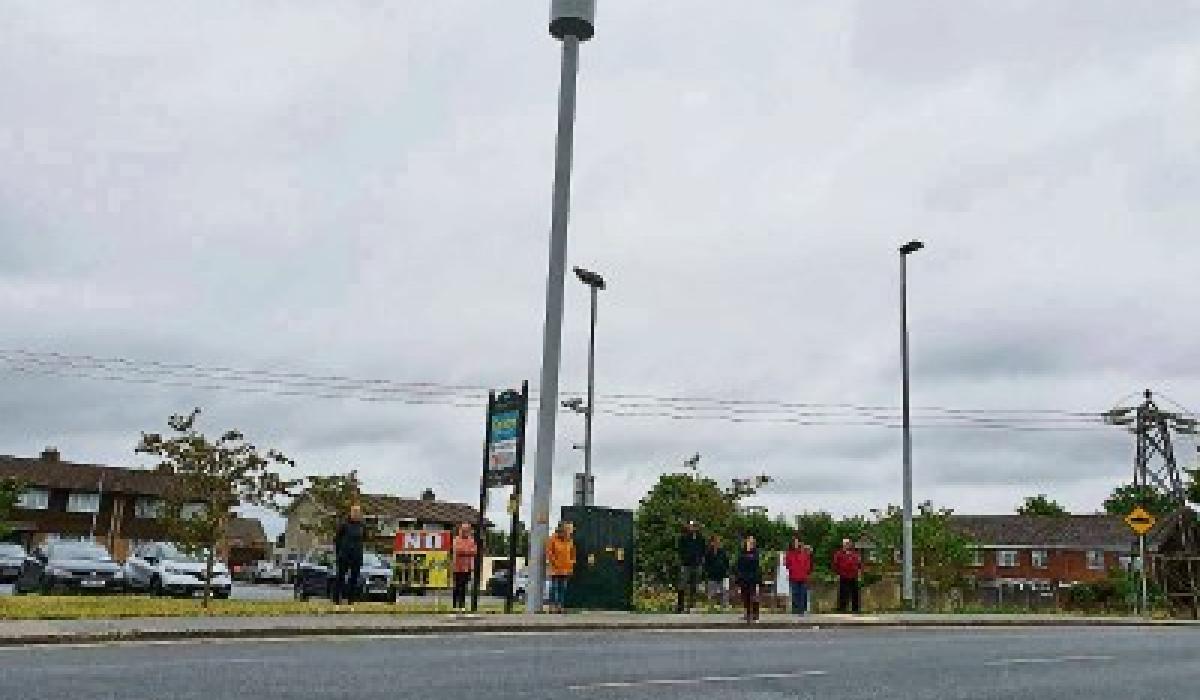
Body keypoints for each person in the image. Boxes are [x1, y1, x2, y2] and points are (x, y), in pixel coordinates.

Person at [333, 503, 365, 606]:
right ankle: (337, 600)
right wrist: (338, 553)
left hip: (356, 557)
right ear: (350, 513)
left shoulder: (361, 525)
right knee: (340, 578)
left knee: (354, 579)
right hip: (344, 556)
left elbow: (363, 540)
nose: (356, 514)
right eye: (354, 512)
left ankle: (351, 601)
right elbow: (337, 540)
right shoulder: (344, 524)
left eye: (358, 512)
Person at [545, 521, 576, 614]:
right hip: (555, 569)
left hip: (566, 569)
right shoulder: (553, 539)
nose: (570, 531)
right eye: (568, 528)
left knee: (563, 589)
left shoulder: (570, 540)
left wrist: (571, 563)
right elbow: (549, 553)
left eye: (571, 529)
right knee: (554, 588)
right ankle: (552, 607)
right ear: (563, 529)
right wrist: (556, 563)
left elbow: (573, 554)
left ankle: (560, 607)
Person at [676, 521, 705, 613]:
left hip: (696, 564)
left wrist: (700, 559)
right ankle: (680, 606)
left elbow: (703, 549)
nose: (693, 528)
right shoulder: (684, 537)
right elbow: (680, 550)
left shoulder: (700, 538)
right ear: (688, 527)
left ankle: (691, 606)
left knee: (694, 585)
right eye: (692, 526)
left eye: (695, 526)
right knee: (682, 585)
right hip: (686, 564)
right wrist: (685, 558)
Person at [733, 534, 762, 623]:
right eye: (749, 541)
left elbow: (756, 565)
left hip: (753, 578)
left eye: (752, 541)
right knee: (745, 597)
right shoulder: (742, 552)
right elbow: (739, 565)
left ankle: (755, 615)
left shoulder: (756, 553)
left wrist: (758, 580)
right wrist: (738, 579)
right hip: (744, 578)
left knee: (753, 596)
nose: (750, 543)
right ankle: (747, 614)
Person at [451, 522, 478, 612]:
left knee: (464, 587)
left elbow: (474, 551)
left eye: (467, 530)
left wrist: (466, 551)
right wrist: (467, 551)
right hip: (457, 567)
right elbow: (458, 550)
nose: (465, 531)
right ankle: (454, 605)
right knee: (457, 586)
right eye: (464, 530)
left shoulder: (471, 540)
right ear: (460, 530)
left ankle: (462, 605)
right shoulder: (456, 540)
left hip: (468, 567)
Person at [832, 537, 863, 613]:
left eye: (848, 543)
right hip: (843, 576)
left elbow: (859, 565)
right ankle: (841, 609)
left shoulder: (855, 554)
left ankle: (855, 610)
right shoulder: (838, 554)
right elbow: (835, 564)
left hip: (853, 576)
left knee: (855, 594)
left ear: (850, 544)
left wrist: (859, 574)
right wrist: (837, 573)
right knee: (843, 593)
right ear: (843, 545)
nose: (846, 545)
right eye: (845, 544)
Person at [784, 536, 813, 615]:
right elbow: (787, 564)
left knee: (803, 593)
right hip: (794, 576)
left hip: (803, 576)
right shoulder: (789, 553)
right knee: (795, 593)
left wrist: (806, 571)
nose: (796, 544)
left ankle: (802, 610)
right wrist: (792, 569)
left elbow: (808, 563)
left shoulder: (805, 552)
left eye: (797, 542)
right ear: (792, 544)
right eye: (794, 542)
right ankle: (795, 610)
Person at [702, 534, 730, 610]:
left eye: (717, 541)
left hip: (723, 574)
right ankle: (711, 606)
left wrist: (726, 570)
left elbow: (727, 563)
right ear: (711, 543)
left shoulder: (723, 552)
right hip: (712, 575)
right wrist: (708, 571)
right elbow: (705, 564)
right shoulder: (708, 553)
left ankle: (724, 606)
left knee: (724, 590)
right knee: (711, 592)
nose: (716, 543)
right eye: (714, 541)